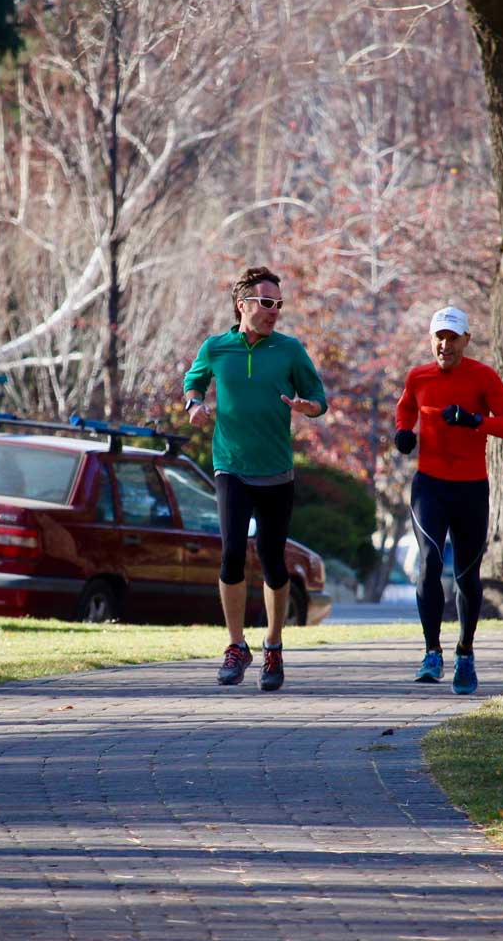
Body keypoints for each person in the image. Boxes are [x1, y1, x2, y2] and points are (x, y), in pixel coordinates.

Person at [183, 266, 327, 691]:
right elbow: (193, 383)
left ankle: (274, 646)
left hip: (276, 472)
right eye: (266, 303)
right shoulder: (216, 348)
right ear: (241, 304)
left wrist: (306, 407)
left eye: (279, 304)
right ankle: (235, 645)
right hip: (230, 466)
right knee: (230, 555)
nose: (274, 312)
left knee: (271, 560)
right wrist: (194, 404)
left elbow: (320, 399)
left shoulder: (289, 350)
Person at [394, 305, 503, 694]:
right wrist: (403, 432)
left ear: (466, 339)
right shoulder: (418, 376)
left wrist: (474, 420)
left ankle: (464, 654)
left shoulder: (482, 376)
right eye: (439, 337)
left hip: (470, 488)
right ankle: (432, 652)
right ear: (431, 339)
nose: (444, 344)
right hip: (430, 485)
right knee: (430, 562)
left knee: (467, 575)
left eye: (452, 337)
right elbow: (405, 409)